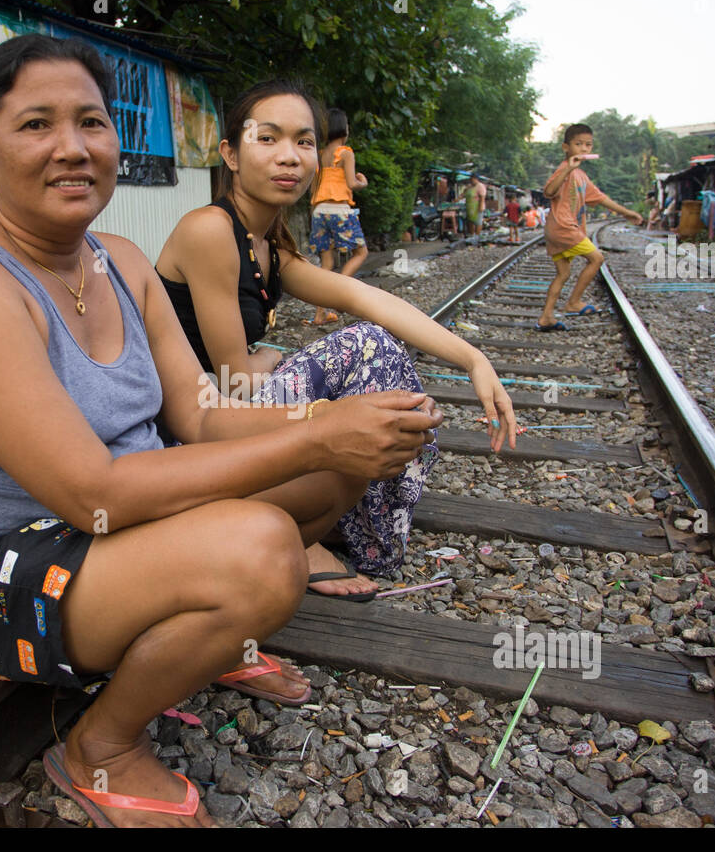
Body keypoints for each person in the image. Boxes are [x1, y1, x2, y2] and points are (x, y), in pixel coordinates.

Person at [0, 36, 444, 827]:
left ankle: (201, 639)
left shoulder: (119, 261)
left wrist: (337, 423)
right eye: (36, 126)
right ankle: (99, 748)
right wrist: (316, 434)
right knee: (263, 552)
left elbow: (200, 414)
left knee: (336, 476)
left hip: (123, 536)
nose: (73, 149)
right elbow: (92, 493)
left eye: (91, 122)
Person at [156, 79, 518, 598]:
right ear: (230, 154)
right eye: (268, 139)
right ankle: (313, 536)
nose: (290, 157)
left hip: (222, 412)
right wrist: (269, 360)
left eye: (304, 142)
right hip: (188, 436)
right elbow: (234, 381)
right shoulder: (210, 230)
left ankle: (333, 520)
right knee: (365, 347)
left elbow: (368, 298)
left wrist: (473, 358)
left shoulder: (269, 245)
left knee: (372, 344)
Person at [537, 124, 643, 331]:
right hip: (563, 227)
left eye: (588, 145)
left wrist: (627, 213)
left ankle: (546, 317)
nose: (584, 149)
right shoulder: (565, 170)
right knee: (597, 258)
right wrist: (568, 166)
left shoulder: (581, 176)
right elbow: (548, 191)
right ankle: (573, 302)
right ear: (566, 147)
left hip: (559, 228)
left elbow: (602, 199)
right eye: (578, 144)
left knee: (563, 274)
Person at [305, 108, 368, 326]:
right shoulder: (346, 152)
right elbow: (351, 183)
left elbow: (312, 186)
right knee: (360, 252)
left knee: (327, 262)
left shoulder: (319, 154)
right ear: (343, 128)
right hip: (340, 210)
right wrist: (363, 182)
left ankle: (319, 314)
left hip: (319, 211)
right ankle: (339, 288)